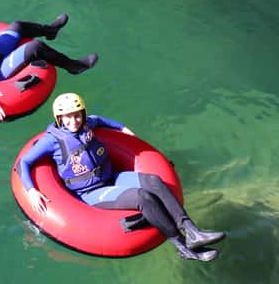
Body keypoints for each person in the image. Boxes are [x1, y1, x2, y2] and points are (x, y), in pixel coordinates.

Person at [17, 93, 227, 262]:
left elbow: (100, 119)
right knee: (143, 197)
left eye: (77, 114)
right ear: (59, 119)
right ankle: (183, 247)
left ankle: (192, 231)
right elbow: (24, 163)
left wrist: (122, 128)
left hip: (113, 177)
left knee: (153, 181)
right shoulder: (51, 141)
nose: (74, 120)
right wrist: (31, 190)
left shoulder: (87, 123)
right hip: (90, 192)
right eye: (68, 117)